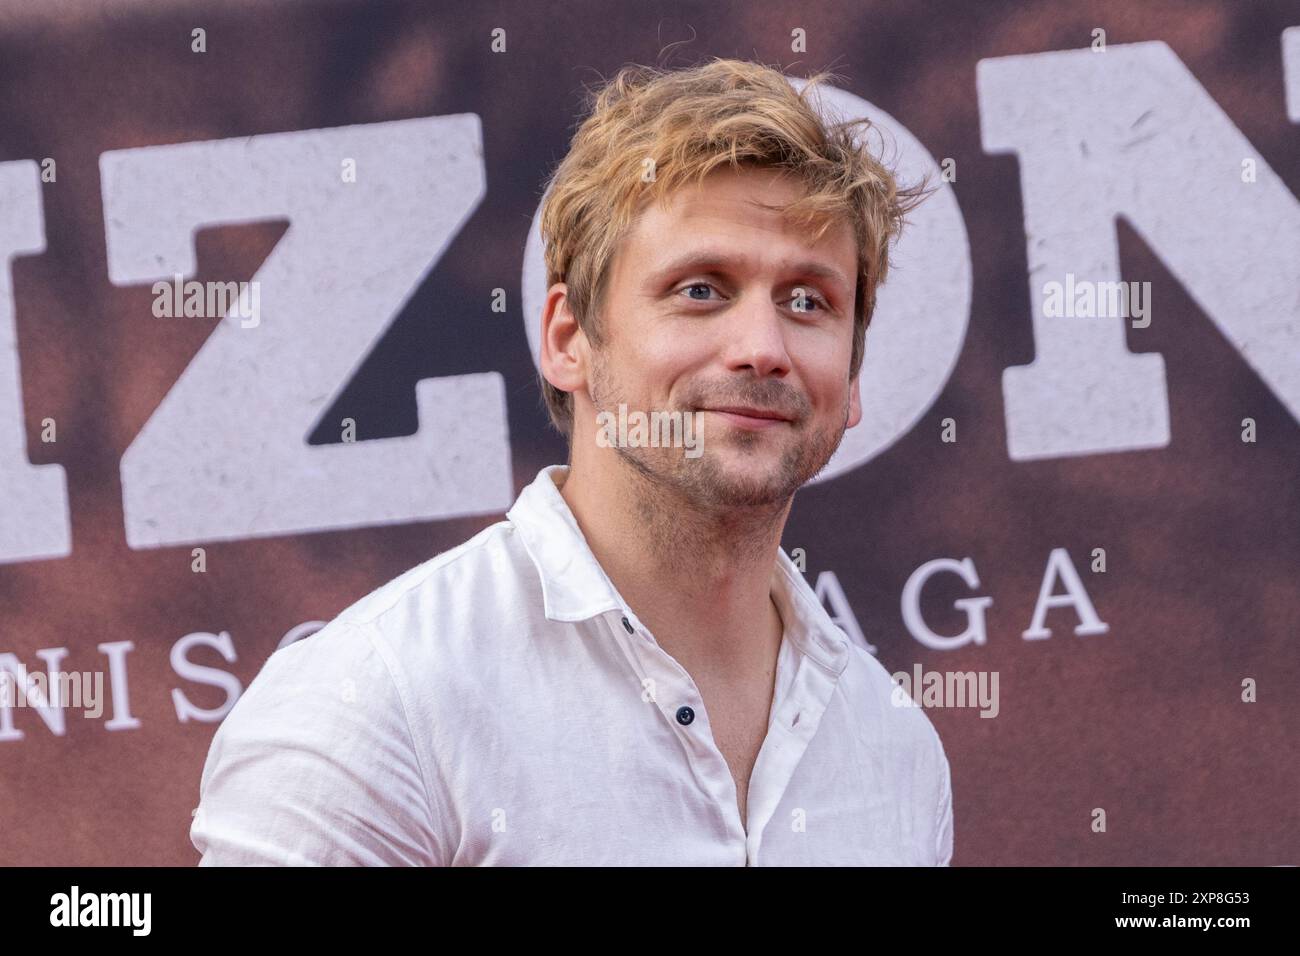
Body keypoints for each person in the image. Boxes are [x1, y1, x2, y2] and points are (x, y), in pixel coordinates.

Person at [190, 57, 952, 866]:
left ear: (854, 376)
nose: (762, 349)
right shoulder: (378, 702)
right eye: (700, 289)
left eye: (808, 301)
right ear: (567, 339)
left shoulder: (893, 748)